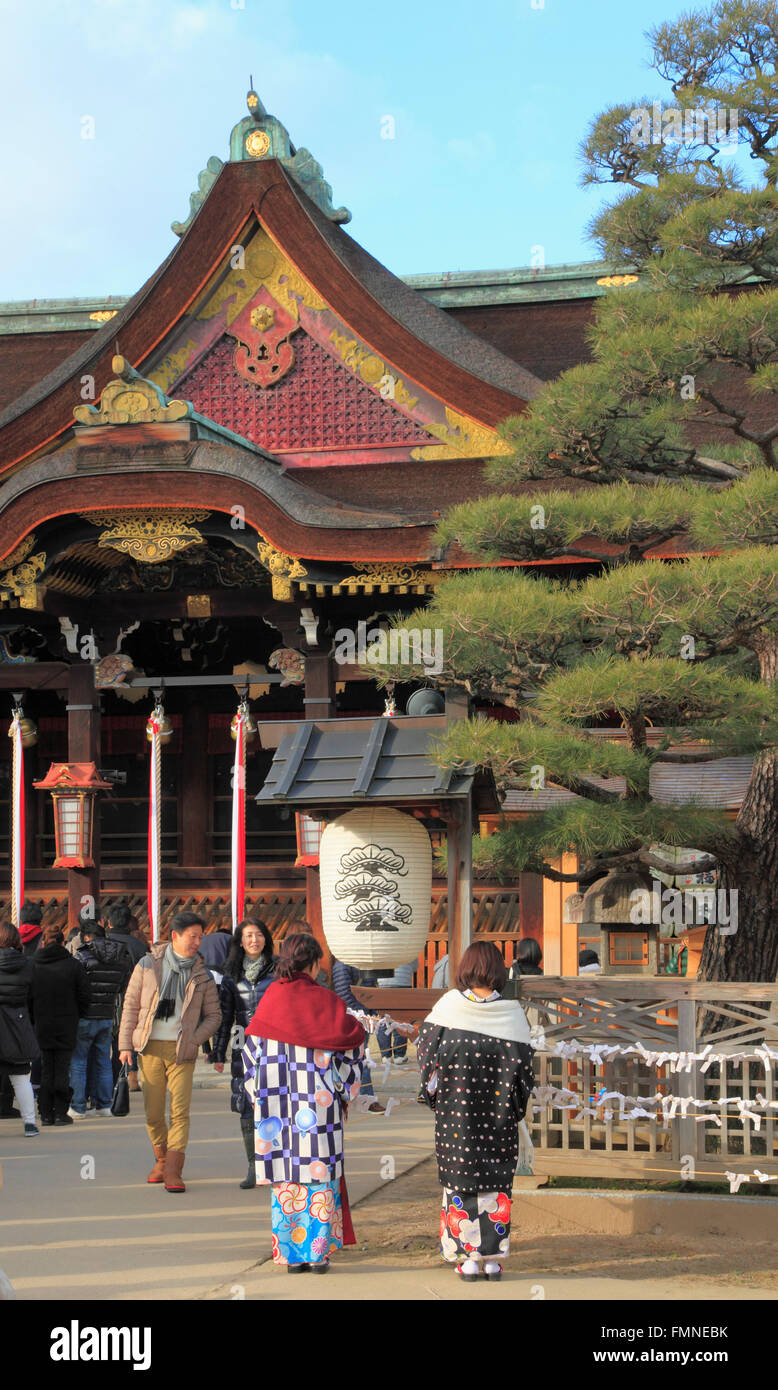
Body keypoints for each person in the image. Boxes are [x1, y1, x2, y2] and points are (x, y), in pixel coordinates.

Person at [242, 931, 367, 1274]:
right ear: (313, 964)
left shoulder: (270, 999)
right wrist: (342, 1089)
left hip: (277, 1109)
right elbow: (350, 1048)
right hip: (318, 1105)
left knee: (287, 1178)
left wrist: (261, 1096)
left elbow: (250, 1057)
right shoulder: (326, 1001)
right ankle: (317, 1253)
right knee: (318, 1174)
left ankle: (290, 1255)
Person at [416, 940, 535, 1284]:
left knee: (461, 1183)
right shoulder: (512, 1015)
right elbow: (524, 1076)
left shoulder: (447, 1010)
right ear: (500, 970)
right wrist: (513, 1107)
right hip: (497, 1119)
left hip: (458, 1117)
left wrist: (436, 1094)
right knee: (495, 1186)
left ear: (465, 967)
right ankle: (494, 1261)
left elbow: (427, 1065)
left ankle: (468, 1261)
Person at [118, 911, 221, 1193]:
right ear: (175, 936)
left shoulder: (202, 973)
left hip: (181, 1051)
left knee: (179, 1111)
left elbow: (214, 1016)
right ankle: (161, 1160)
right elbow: (130, 1007)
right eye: (193, 936)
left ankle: (174, 1170)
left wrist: (194, 1039)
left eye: (201, 937)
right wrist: (125, 1044)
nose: (198, 942)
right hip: (149, 1047)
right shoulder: (147, 965)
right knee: (153, 1112)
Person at [212, 920, 276, 1188]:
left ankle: (274, 1163)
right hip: (243, 1046)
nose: (254, 940)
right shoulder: (230, 976)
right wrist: (218, 1051)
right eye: (249, 935)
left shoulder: (278, 971)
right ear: (240, 941)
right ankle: (254, 1165)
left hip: (274, 1045)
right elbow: (225, 1017)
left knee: (274, 1104)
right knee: (246, 1105)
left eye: (259, 935)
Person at [30, 924, 90, 1126]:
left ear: (43, 942)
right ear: (63, 942)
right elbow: (84, 995)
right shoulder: (73, 965)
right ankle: (60, 1112)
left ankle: (45, 1112)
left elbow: (28, 996)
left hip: (42, 1022)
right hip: (67, 1022)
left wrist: (33, 1018)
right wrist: (77, 1014)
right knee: (63, 1068)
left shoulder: (34, 965)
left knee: (47, 1067)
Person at [70, 920, 131, 1118]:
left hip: (84, 1016)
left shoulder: (82, 956)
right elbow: (123, 987)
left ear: (86, 937)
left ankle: (78, 1106)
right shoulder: (120, 957)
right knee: (103, 1060)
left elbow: (75, 987)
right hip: (107, 1015)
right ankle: (104, 1105)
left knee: (79, 1061)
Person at [331, 958, 386, 1111]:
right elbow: (344, 994)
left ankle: (360, 1098)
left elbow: (372, 992)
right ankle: (366, 1099)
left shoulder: (365, 963)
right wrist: (363, 1014)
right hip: (352, 1018)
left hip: (363, 1017)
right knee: (359, 1058)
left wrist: (373, 1012)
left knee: (360, 1058)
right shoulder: (342, 965)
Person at [0, 923, 39, 1135]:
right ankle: (30, 1123)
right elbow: (33, 997)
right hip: (18, 1022)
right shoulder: (28, 964)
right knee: (21, 1076)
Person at [106, 903, 148, 1090]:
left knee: (102, 1042)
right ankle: (131, 1077)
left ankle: (107, 1080)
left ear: (108, 922)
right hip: (133, 998)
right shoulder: (139, 945)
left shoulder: (102, 941)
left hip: (104, 997)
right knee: (128, 1039)